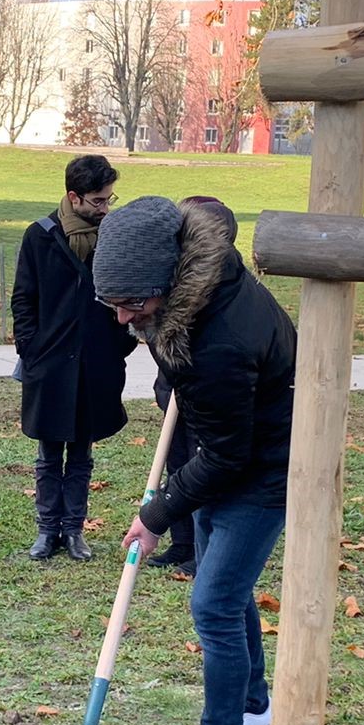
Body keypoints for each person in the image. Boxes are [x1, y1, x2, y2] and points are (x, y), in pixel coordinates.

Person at [95, 195, 297, 725]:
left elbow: (229, 456)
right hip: (229, 458)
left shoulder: (218, 342)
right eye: (114, 304)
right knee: (227, 595)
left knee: (211, 603)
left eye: (133, 304)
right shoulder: (206, 292)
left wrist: (157, 516)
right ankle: (254, 708)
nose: (123, 317)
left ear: (167, 282)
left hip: (263, 472)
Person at [10, 153, 134, 562]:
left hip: (96, 363)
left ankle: (74, 530)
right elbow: (24, 299)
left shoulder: (113, 238)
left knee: (82, 453)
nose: (105, 209)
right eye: (98, 201)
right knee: (48, 455)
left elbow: (129, 295)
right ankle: (47, 530)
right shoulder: (40, 236)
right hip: (50, 363)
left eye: (109, 201)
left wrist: (120, 344)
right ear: (73, 197)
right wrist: (31, 350)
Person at [144, 195, 239, 580]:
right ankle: (182, 543)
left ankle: (202, 552)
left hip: (206, 396)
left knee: (201, 472)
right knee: (176, 463)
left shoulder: (222, 286)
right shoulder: (171, 275)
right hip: (174, 391)